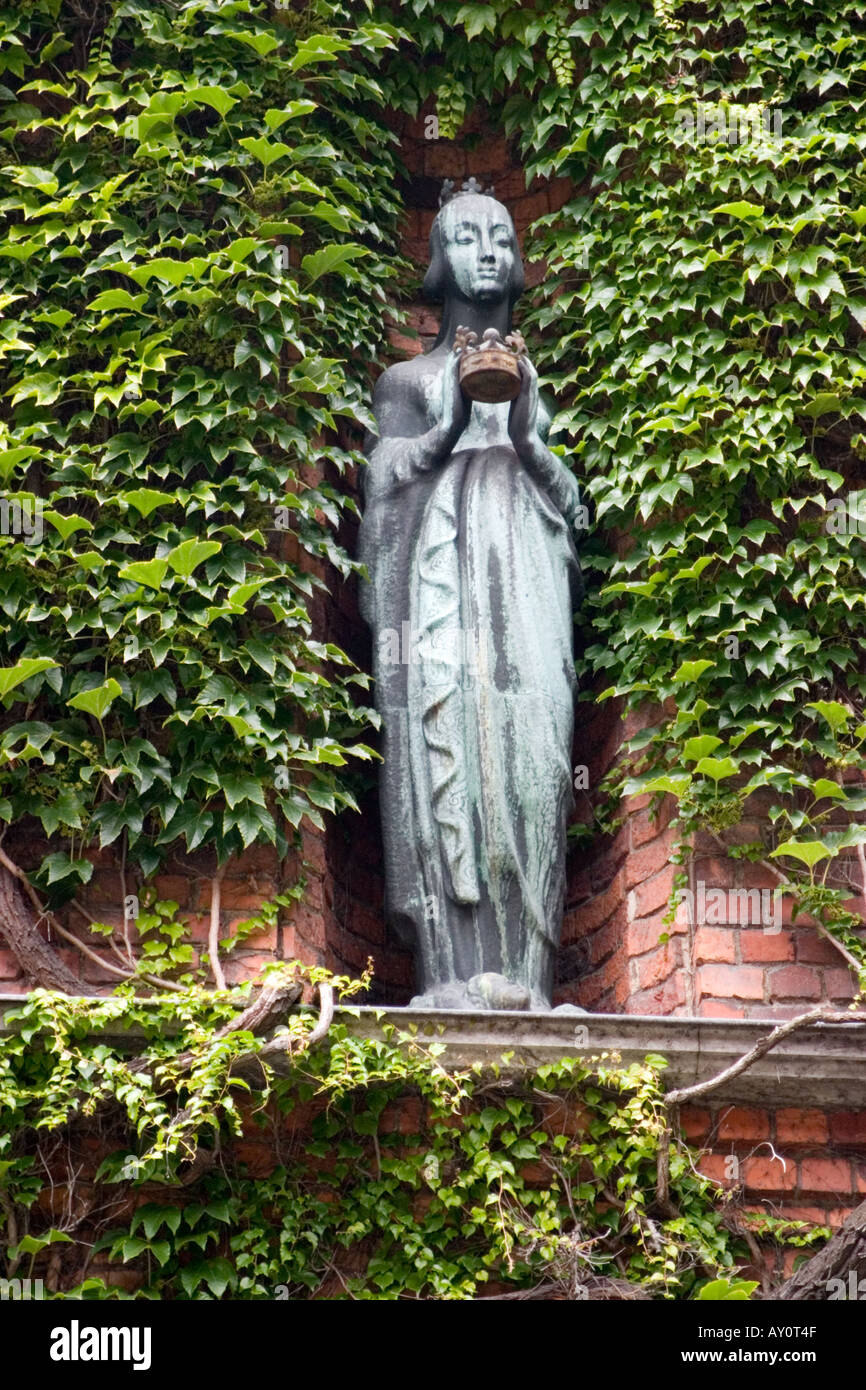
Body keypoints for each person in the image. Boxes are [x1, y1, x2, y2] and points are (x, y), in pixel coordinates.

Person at [358, 183, 583, 1010]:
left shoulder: (536, 390)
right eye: (466, 237)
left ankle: (530, 975)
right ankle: (450, 976)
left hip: (527, 584)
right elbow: (382, 491)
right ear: (438, 260)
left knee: (537, 764)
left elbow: (575, 512)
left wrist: (524, 434)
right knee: (449, 748)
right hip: (442, 585)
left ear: (518, 261)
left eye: (500, 237)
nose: (486, 251)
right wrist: (449, 427)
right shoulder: (407, 380)